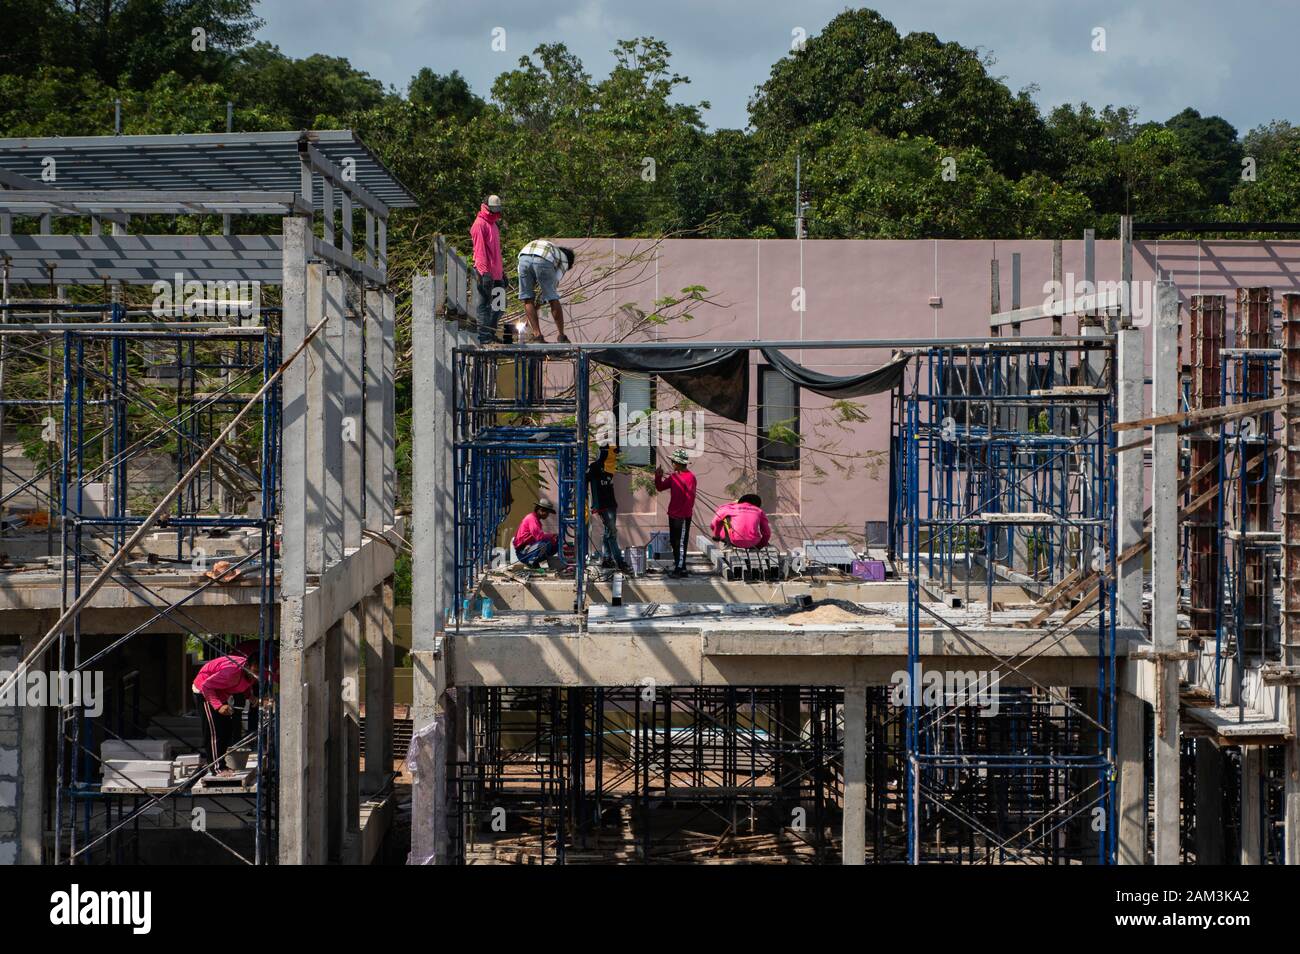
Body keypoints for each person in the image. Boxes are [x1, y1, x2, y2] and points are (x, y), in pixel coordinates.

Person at [192, 651, 260, 773]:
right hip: (204, 692)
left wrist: (250, 697)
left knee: (226, 730)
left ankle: (222, 764)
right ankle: (216, 768)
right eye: (255, 671)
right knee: (215, 731)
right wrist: (218, 706)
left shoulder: (251, 674)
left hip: (220, 693)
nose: (257, 674)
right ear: (247, 666)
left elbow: (244, 685)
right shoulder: (230, 672)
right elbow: (206, 686)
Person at [517, 239, 576, 343]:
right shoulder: (565, 260)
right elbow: (551, 289)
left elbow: (539, 292)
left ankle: (537, 336)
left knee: (527, 298)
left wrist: (537, 305)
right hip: (543, 257)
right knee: (553, 298)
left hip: (523, 257)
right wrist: (541, 302)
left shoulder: (554, 250)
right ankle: (561, 336)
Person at [654, 448, 697, 578]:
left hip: (682, 516)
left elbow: (690, 498)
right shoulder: (674, 477)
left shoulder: (690, 477)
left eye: (673, 461)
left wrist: (683, 514)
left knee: (681, 542)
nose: (672, 463)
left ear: (678, 463)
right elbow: (660, 487)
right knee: (674, 541)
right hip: (673, 514)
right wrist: (658, 476)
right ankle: (679, 565)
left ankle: (680, 568)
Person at [587, 442, 630, 571]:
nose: (615, 457)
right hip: (603, 506)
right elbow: (585, 479)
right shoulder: (594, 467)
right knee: (612, 534)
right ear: (606, 453)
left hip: (612, 505)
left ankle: (606, 559)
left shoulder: (611, 468)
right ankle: (620, 562)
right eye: (613, 454)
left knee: (607, 533)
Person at [470, 195, 505, 344]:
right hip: (484, 272)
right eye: (494, 208)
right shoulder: (479, 224)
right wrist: (484, 273)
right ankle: (484, 336)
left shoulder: (494, 225)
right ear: (487, 206)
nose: (496, 212)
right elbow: (480, 251)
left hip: (496, 274)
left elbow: (497, 252)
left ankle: (490, 333)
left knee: (500, 305)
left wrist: (502, 273)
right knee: (484, 304)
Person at [512, 496, 564, 568]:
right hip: (523, 552)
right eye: (547, 512)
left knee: (556, 542)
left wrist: (553, 538)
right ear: (541, 510)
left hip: (529, 548)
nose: (547, 515)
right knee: (543, 544)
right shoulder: (532, 519)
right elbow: (539, 537)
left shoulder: (536, 520)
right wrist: (552, 536)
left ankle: (541, 561)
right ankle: (531, 563)